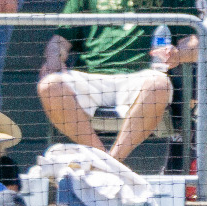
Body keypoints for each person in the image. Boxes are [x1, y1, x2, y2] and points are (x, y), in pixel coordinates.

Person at [41, 0, 199, 164]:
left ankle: (111, 163)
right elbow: (59, 40)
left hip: (142, 78)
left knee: (159, 85)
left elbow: (193, 44)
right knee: (49, 86)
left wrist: (178, 54)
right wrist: (54, 58)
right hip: (88, 77)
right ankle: (109, 164)